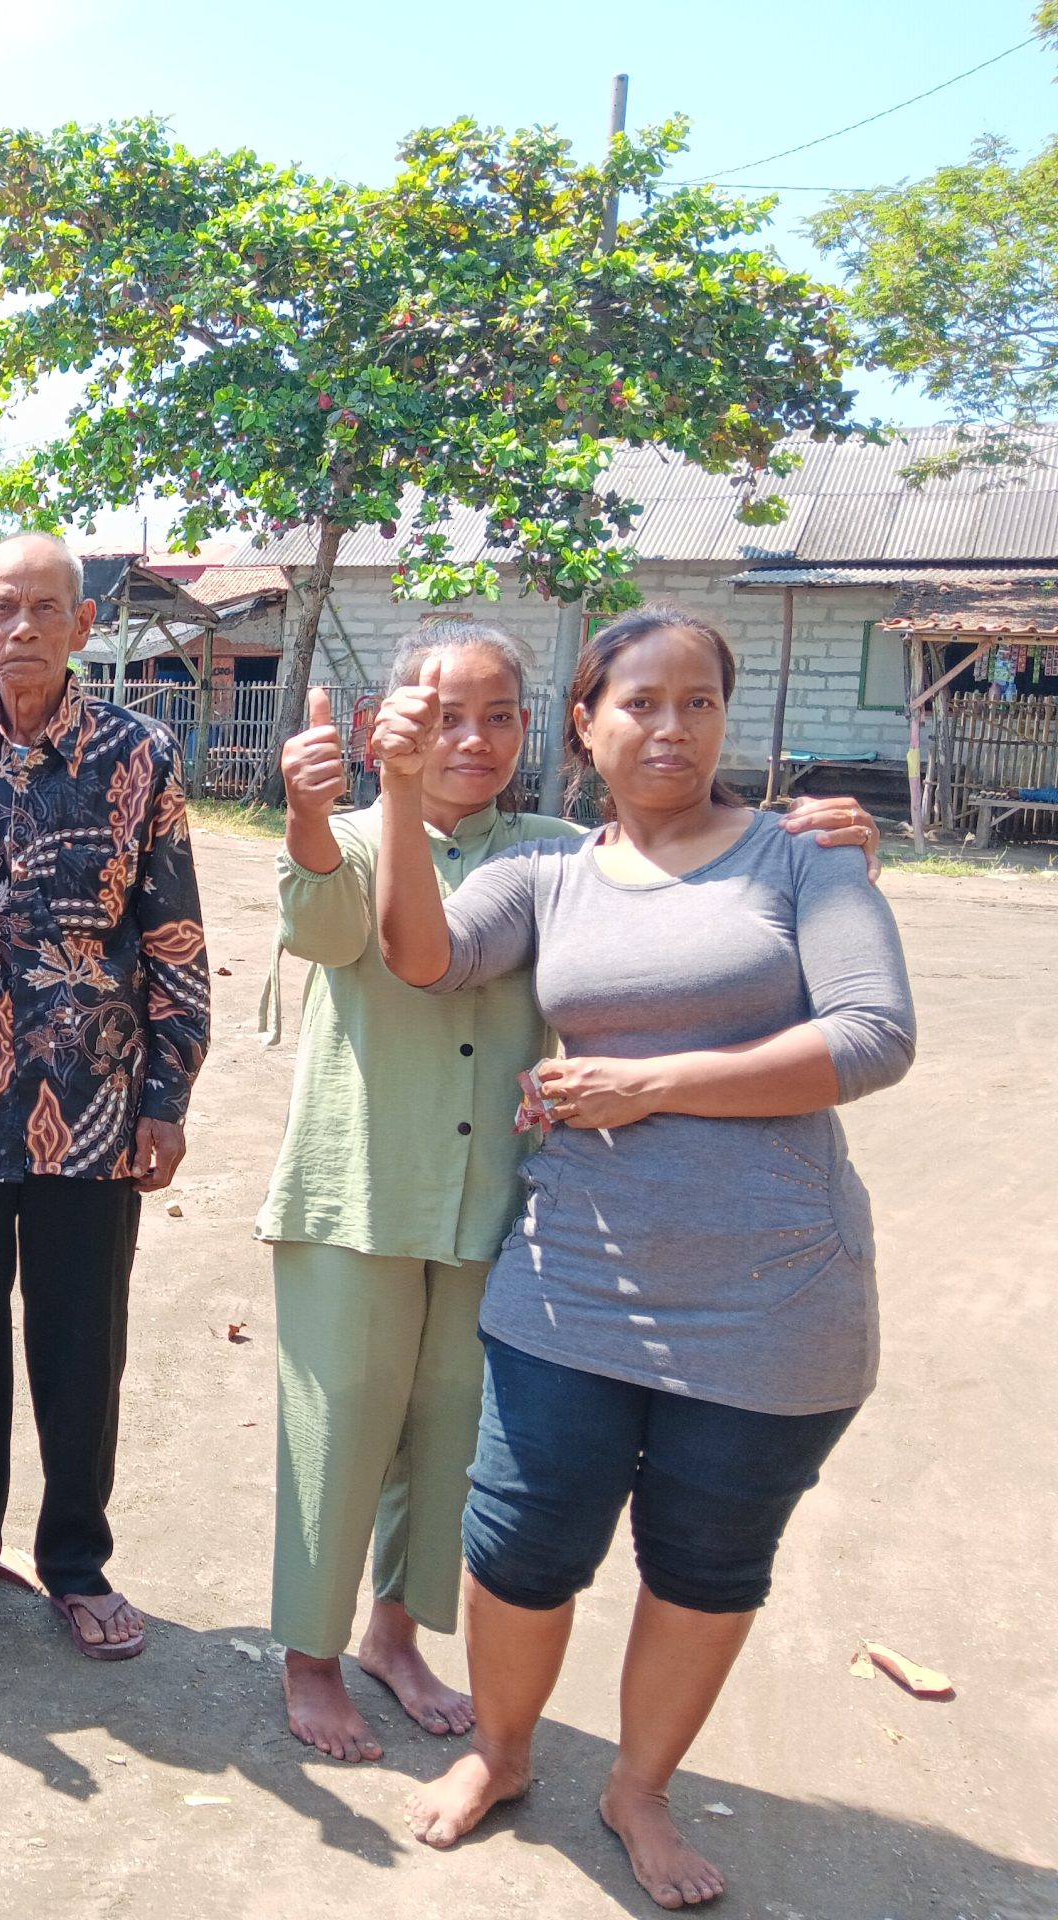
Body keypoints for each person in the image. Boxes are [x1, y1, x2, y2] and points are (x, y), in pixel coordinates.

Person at [257, 624, 884, 1764]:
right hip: (361, 1187)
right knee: (340, 1425)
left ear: (547, 731)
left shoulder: (556, 849)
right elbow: (362, 936)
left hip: (503, 1198)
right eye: (443, 714)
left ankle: (394, 1634)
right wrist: (328, 808)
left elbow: (827, 995)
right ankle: (309, 1654)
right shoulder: (363, 841)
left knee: (451, 1435)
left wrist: (828, 846)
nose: (472, 738)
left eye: (499, 716)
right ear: (384, 726)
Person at [370, 608, 915, 1909]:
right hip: (569, 1294)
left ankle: (638, 1788)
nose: (669, 727)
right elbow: (424, 955)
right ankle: (503, 1757)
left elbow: (874, 1035)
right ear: (588, 722)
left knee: (707, 1563)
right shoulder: (554, 875)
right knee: (516, 1544)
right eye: (639, 704)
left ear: (724, 720)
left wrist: (656, 1082)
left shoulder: (802, 860)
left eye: (697, 704)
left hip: (775, 1306)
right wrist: (394, 792)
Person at [0, 532, 212, 1660]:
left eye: (44, 608)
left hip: (93, 1106)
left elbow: (172, 935)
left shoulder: (137, 754)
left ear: (83, 626)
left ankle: (76, 1560)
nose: (19, 627)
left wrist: (166, 1095)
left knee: (78, 1340)